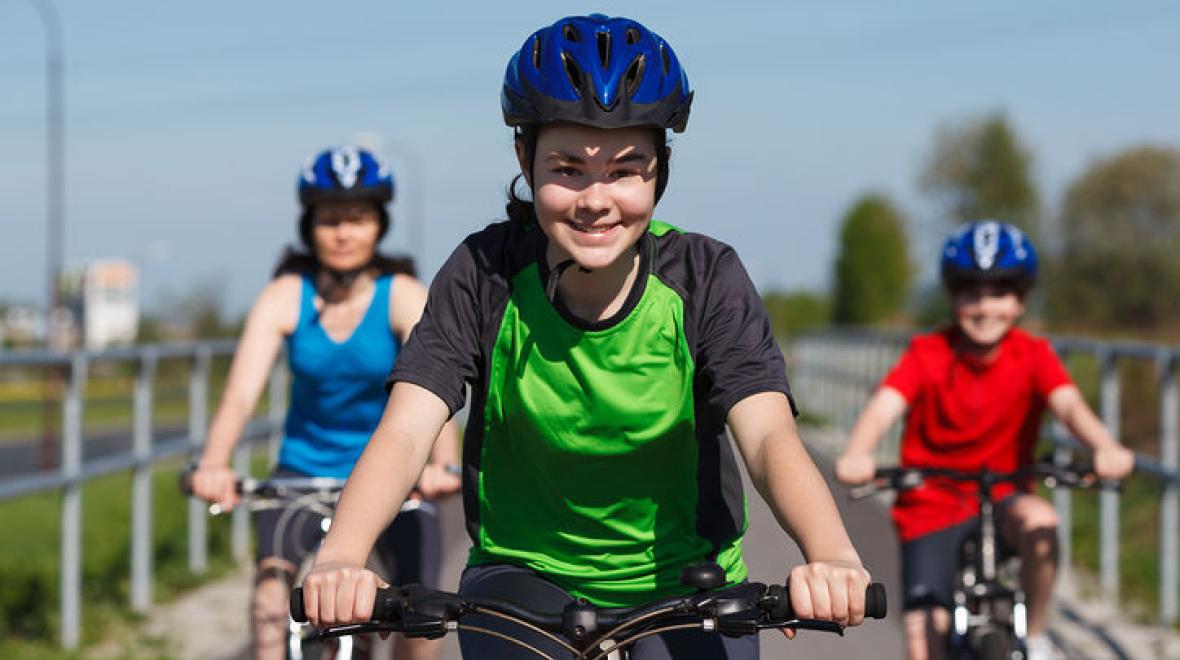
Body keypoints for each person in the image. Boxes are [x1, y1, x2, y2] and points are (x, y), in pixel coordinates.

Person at [299, 14, 871, 659]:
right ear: (525, 159)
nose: (596, 200)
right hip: (521, 579)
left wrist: (830, 554)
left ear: (660, 170)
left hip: (687, 582)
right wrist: (342, 555)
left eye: (626, 170)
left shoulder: (707, 277)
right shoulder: (484, 274)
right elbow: (407, 429)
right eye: (567, 168)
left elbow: (767, 435)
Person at [191, 144, 461, 660]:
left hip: (392, 475)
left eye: (357, 219)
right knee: (270, 602)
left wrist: (442, 464)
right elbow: (240, 396)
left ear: (379, 225)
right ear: (309, 226)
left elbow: (435, 388)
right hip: (302, 470)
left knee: (420, 620)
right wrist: (213, 463)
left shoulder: (402, 294)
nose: (343, 233)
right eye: (329, 220)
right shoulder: (284, 295)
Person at [835, 220, 1135, 660]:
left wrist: (1104, 447)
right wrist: (858, 453)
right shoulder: (928, 352)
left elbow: (1070, 406)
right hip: (931, 503)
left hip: (1005, 495)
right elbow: (884, 407)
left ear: (1021, 300)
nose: (985, 307)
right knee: (923, 638)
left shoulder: (1034, 355)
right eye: (970, 293)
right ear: (951, 296)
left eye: (1000, 293)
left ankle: (1035, 634)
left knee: (1041, 524)